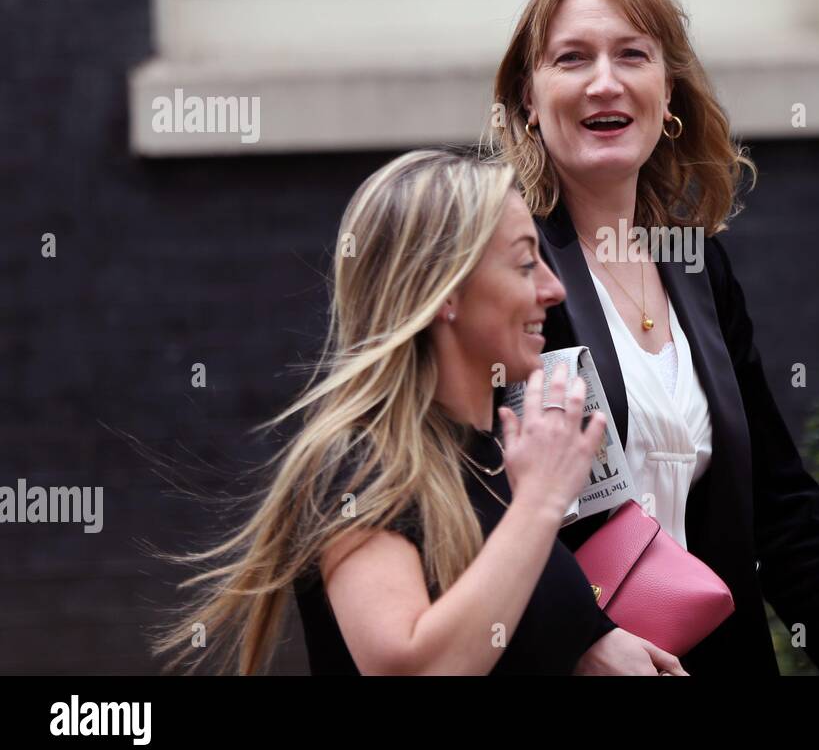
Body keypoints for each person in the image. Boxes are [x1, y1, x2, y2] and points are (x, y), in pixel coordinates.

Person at [490, 0, 819, 675]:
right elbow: (472, 502)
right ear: (529, 99)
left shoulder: (697, 269)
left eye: (633, 55)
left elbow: (783, 513)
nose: (605, 81)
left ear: (668, 92)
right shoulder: (511, 271)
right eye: (572, 59)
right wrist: (582, 636)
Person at [148, 148, 686, 675]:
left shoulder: (493, 453)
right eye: (525, 263)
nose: (553, 288)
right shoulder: (360, 467)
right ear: (444, 292)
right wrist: (542, 501)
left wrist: (586, 643)